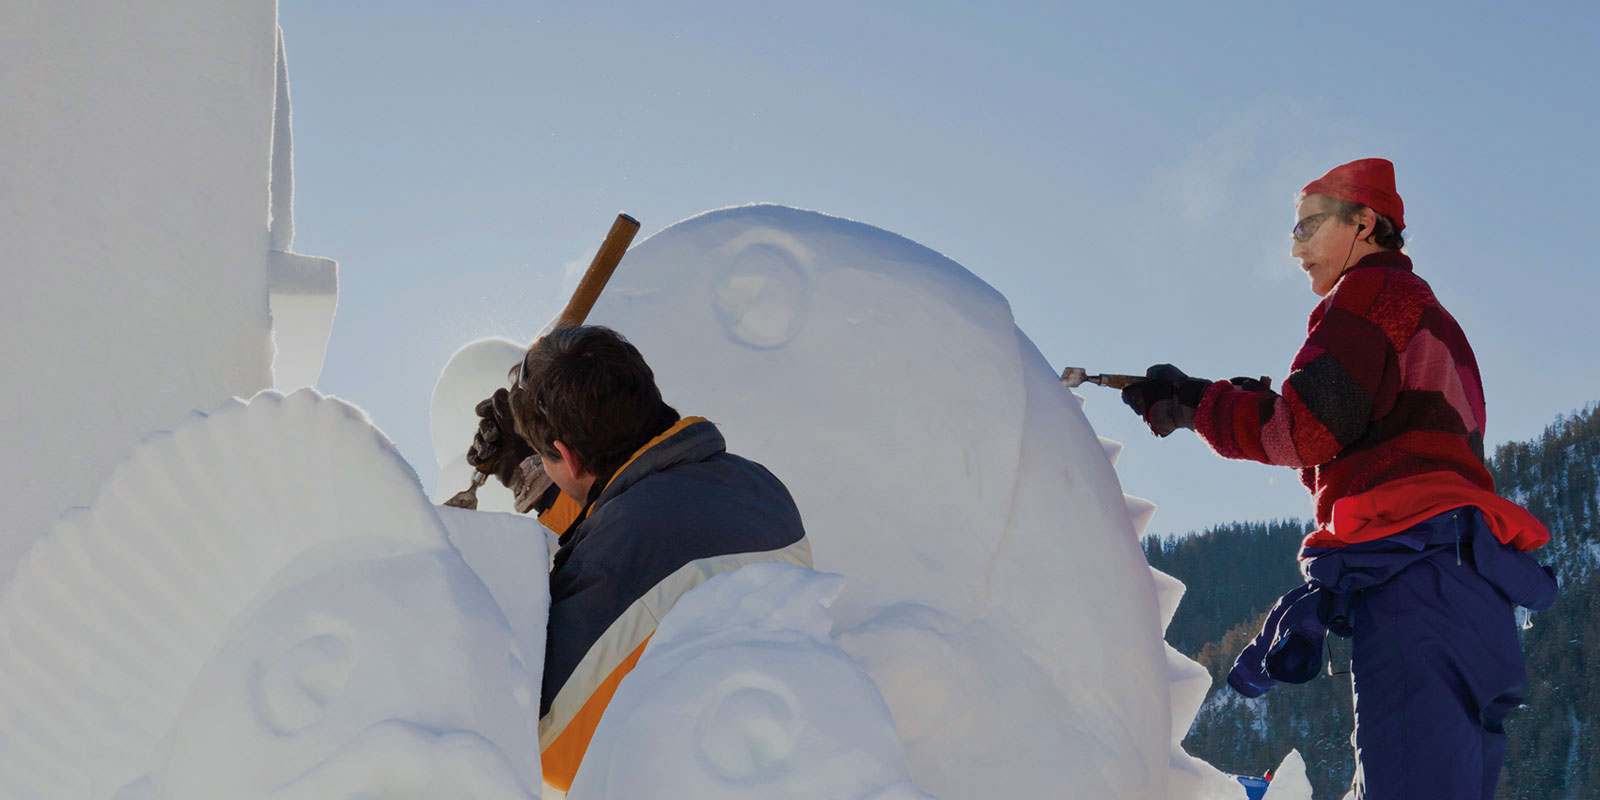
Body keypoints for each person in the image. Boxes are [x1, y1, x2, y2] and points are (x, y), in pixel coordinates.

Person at [1120, 158, 1556, 799]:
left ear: (1365, 223)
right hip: (1476, 599)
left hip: (1417, 586)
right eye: (1291, 232)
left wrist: (1195, 402)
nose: (1294, 247)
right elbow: (1385, 455)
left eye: (1308, 227)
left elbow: (1302, 433)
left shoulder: (1366, 299)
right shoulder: (1430, 319)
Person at [465, 325, 813, 792]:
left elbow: (546, 743)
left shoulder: (618, 567)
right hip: (788, 749)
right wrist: (536, 473)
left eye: (545, 458)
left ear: (566, 457)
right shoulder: (758, 486)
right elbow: (637, 510)